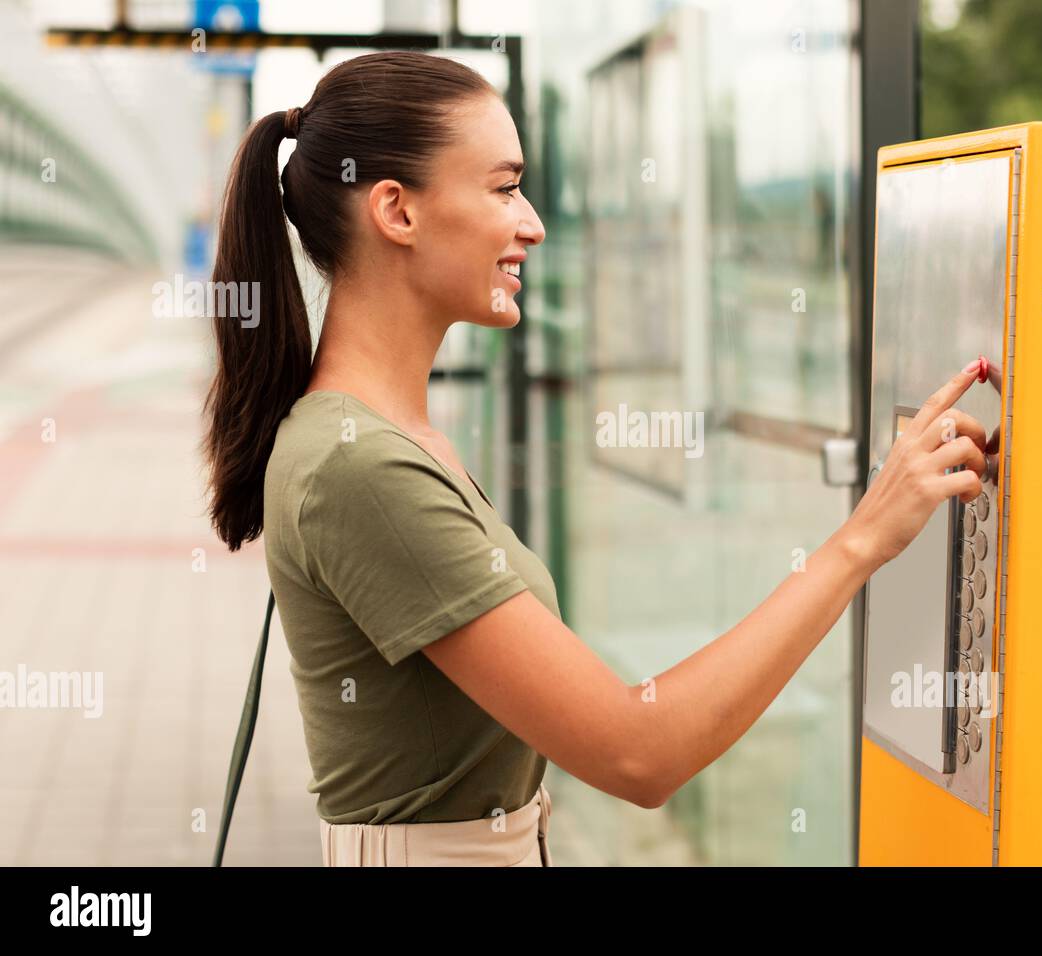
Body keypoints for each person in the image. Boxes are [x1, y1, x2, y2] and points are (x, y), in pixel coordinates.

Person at [200, 51, 992, 867]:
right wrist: (862, 540)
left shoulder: (383, 437)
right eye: (504, 187)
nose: (533, 222)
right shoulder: (357, 465)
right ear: (396, 211)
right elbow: (639, 751)